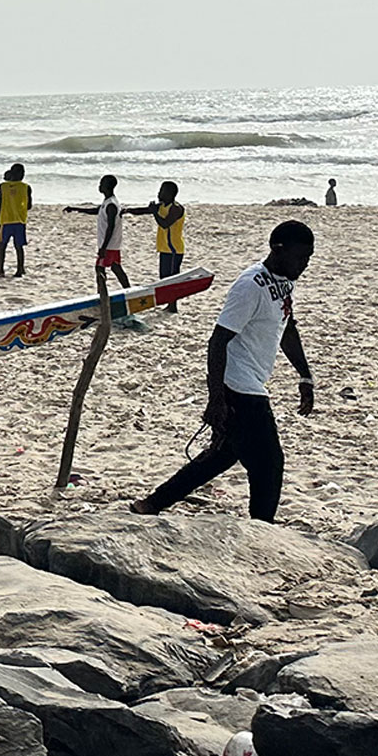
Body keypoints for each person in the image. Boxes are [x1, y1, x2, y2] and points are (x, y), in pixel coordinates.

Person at [133, 222, 316, 522]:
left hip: (251, 380)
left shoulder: (285, 280)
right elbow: (218, 341)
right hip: (238, 384)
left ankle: (153, 503)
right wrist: (216, 398)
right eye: (300, 258)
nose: (304, 265)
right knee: (269, 464)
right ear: (277, 250)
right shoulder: (250, 286)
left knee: (222, 454)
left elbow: (287, 328)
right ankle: (262, 527)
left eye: (308, 259)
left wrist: (305, 377)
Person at [126, 181, 187, 310]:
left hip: (174, 249)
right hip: (164, 248)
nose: (159, 193)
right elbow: (143, 211)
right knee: (164, 278)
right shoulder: (161, 207)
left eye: (162, 191)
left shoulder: (176, 208)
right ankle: (170, 303)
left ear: (170, 194)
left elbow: (165, 223)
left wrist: (154, 213)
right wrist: (128, 210)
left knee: (172, 278)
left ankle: (173, 305)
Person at [66, 173, 129, 288]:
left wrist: (103, 247)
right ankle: (128, 289)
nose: (99, 186)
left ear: (107, 186)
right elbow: (96, 211)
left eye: (102, 184)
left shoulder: (111, 205)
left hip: (109, 245)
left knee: (99, 269)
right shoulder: (107, 202)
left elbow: (111, 227)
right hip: (112, 245)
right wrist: (75, 209)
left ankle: (102, 294)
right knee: (116, 268)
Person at [0, 164, 32, 277]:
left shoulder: (2, 187)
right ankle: (20, 269)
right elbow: (29, 206)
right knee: (19, 247)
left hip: (4, 221)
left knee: (1, 246)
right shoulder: (26, 187)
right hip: (19, 221)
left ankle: (0, 270)